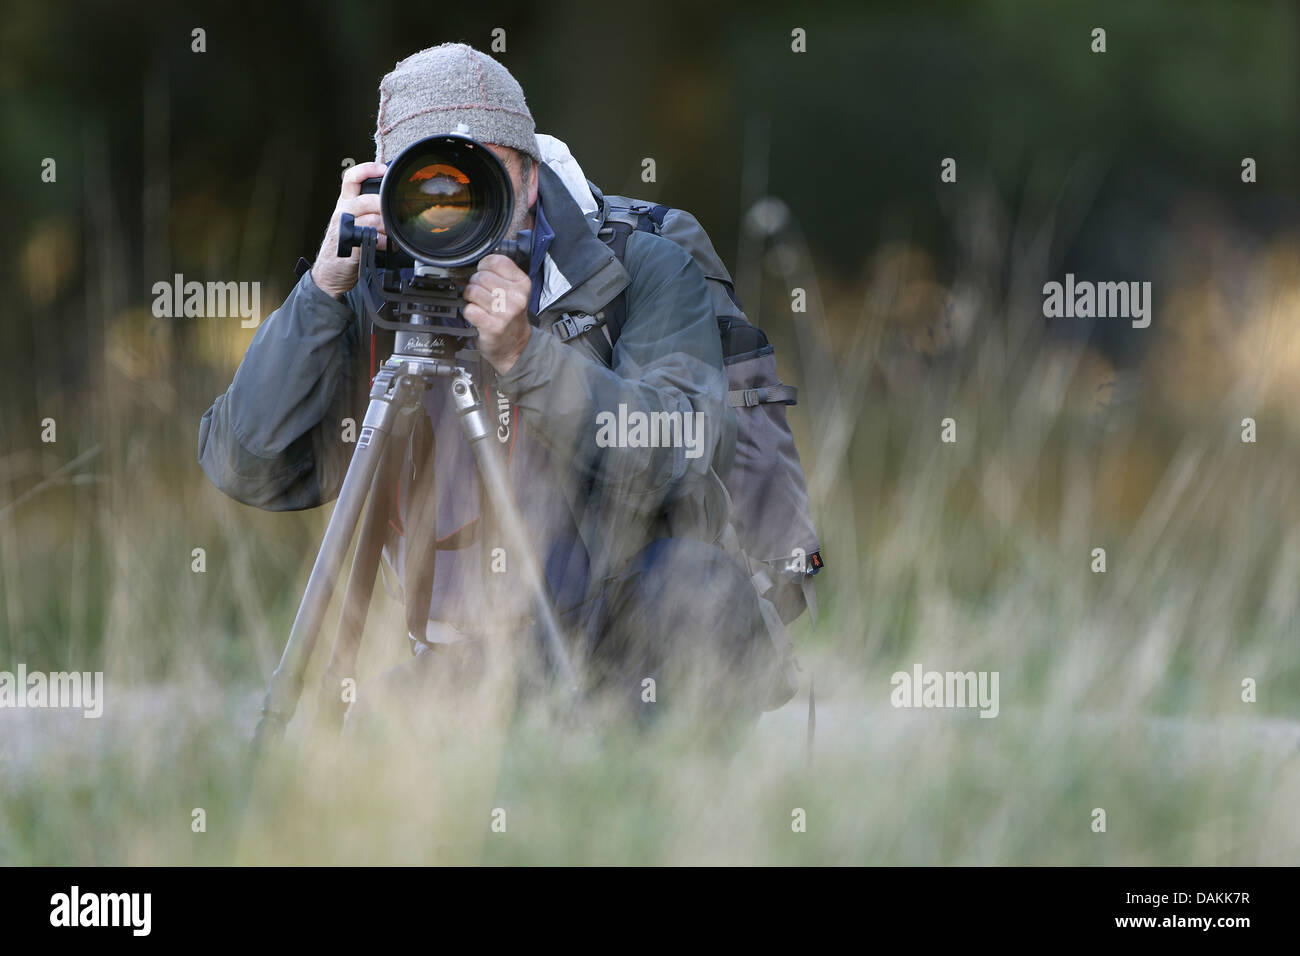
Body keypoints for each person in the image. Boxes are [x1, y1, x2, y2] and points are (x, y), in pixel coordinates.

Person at [198, 43, 778, 740]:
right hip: (463, 660)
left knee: (704, 591)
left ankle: (650, 808)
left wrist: (527, 358)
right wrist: (322, 290)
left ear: (528, 180)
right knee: (371, 764)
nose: (451, 206)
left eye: (475, 178)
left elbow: (680, 453)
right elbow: (248, 464)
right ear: (383, 188)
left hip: (622, 622)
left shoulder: (637, 267)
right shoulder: (366, 290)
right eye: (427, 185)